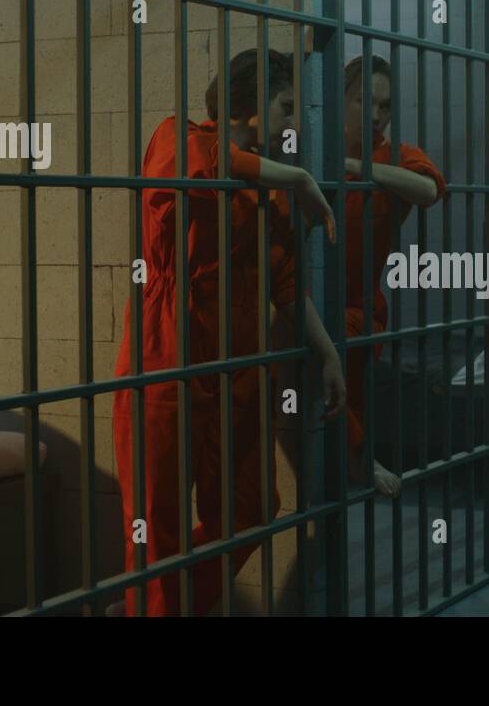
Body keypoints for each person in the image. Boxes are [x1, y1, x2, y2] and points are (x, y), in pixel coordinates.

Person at [112, 49, 346, 616]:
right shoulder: (180, 138)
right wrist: (298, 176)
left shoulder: (265, 190)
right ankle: (152, 604)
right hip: (166, 357)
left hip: (235, 370)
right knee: (156, 520)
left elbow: (287, 288)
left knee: (253, 509)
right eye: (287, 107)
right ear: (246, 104)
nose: (296, 123)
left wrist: (330, 355)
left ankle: (151, 605)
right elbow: (203, 164)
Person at [339, 54, 448, 498]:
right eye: (365, 101)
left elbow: (430, 190)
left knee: (350, 384)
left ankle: (358, 457)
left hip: (358, 303)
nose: (377, 115)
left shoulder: (396, 154)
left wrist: (359, 170)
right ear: (340, 98)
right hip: (292, 293)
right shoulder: (305, 143)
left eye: (385, 106)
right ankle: (357, 457)